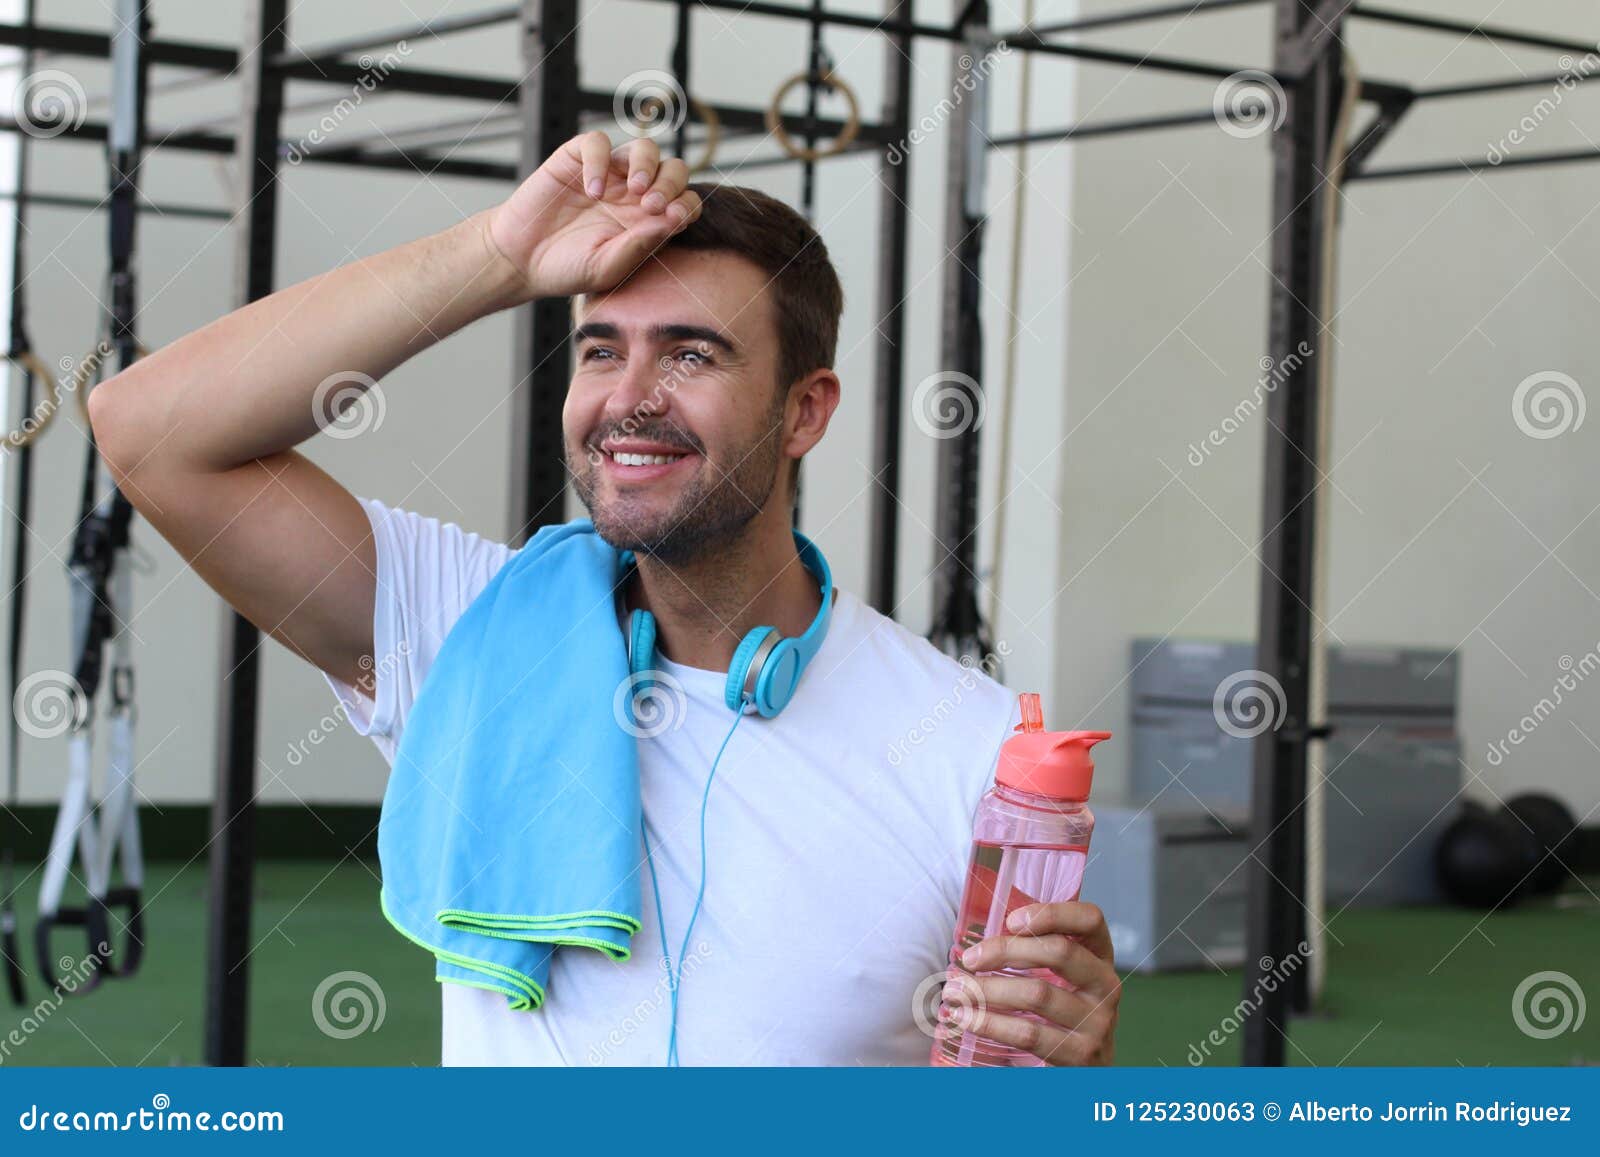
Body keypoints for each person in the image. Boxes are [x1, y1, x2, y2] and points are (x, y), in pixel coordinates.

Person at [87, 131, 1120, 1066]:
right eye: (600, 350)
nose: (629, 398)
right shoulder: (472, 631)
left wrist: (1063, 1072)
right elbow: (147, 431)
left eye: (690, 352)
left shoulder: (970, 749)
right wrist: (498, 255)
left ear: (804, 412)